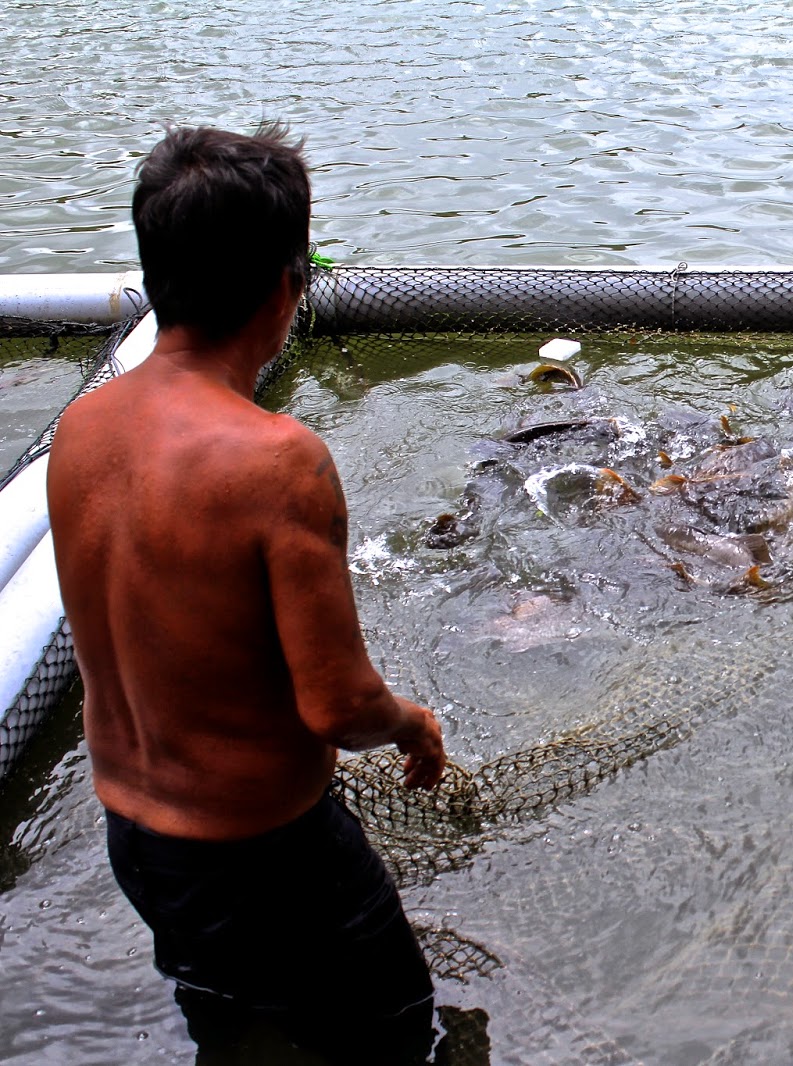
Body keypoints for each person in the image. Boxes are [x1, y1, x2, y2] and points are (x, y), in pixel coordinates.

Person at [46, 123, 448, 1063]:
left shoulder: (81, 429)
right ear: (283, 289)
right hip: (265, 855)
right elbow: (338, 705)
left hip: (138, 842)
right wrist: (414, 724)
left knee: (232, 1024)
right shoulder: (278, 462)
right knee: (398, 1034)